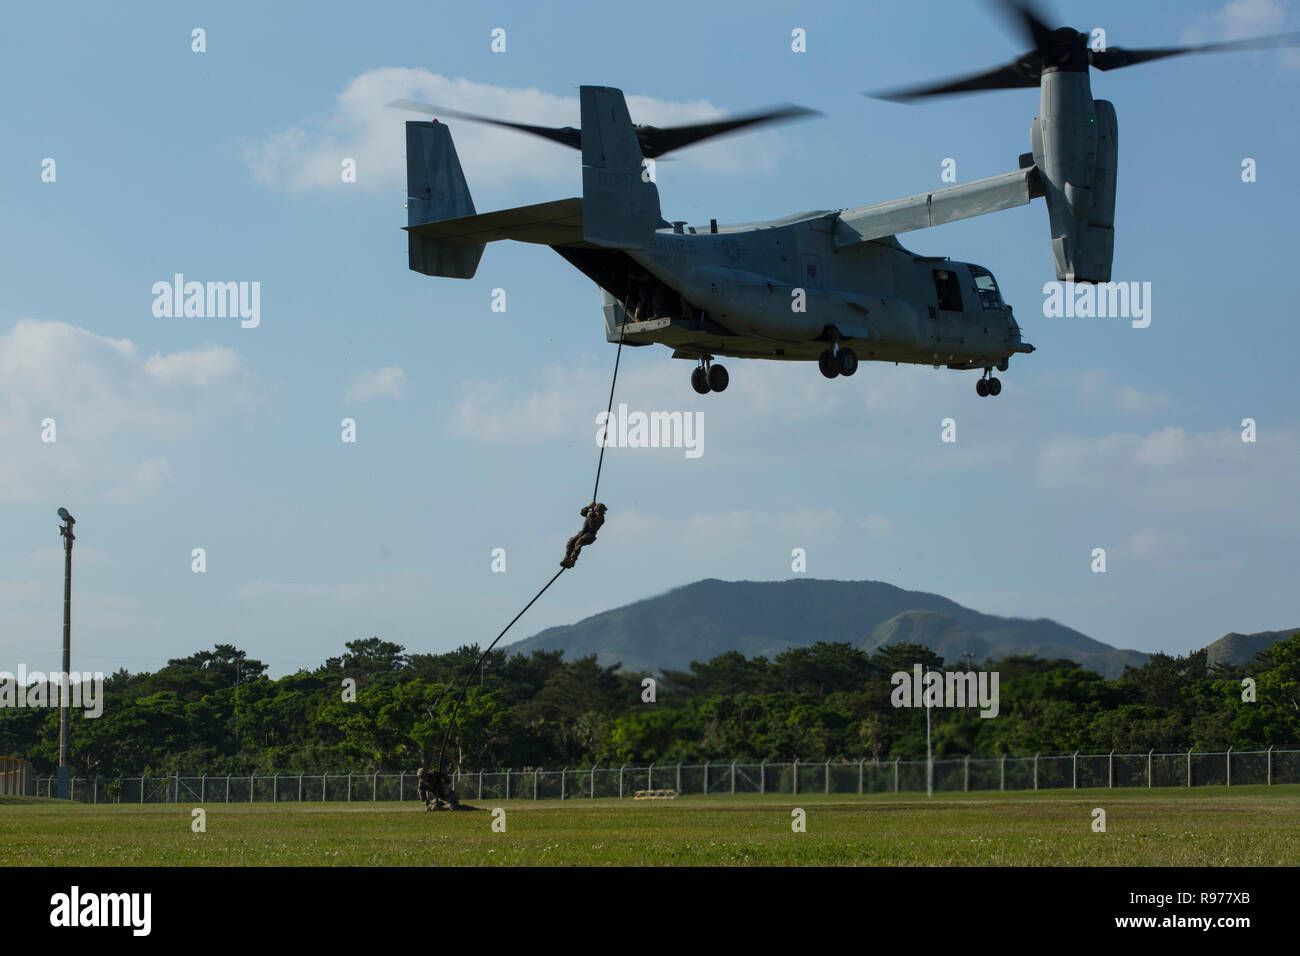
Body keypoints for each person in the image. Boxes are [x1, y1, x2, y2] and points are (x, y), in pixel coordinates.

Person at [560, 503, 607, 569]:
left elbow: (592, 525)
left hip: (590, 535)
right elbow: (582, 513)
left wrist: (589, 516)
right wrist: (587, 507)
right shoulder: (592, 513)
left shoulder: (601, 519)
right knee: (571, 542)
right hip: (582, 533)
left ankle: (572, 560)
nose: (598, 513)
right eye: (597, 511)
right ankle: (567, 558)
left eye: (600, 512)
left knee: (579, 542)